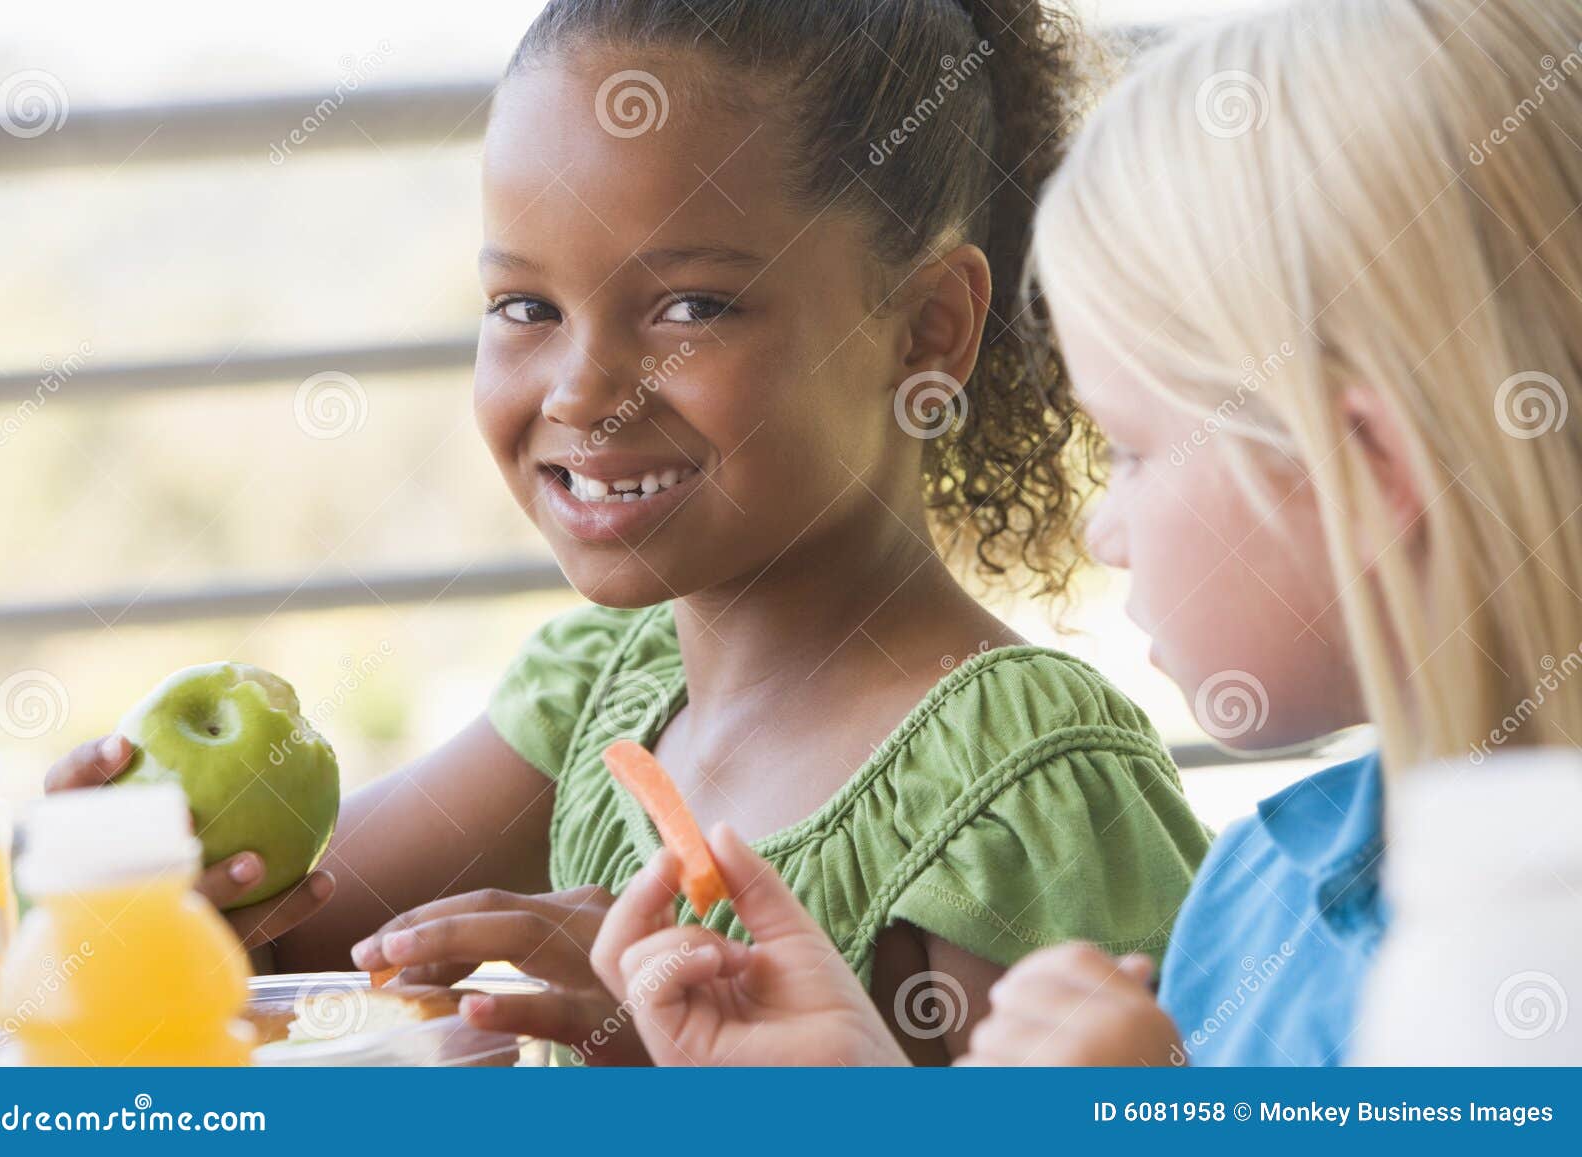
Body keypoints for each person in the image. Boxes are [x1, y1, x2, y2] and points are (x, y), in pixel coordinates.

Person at [47, 0, 1212, 1064]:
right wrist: (128, 890)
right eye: (524, 308)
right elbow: (277, 956)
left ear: (925, 330)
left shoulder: (1016, 795)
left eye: (690, 307)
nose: (576, 388)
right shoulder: (600, 700)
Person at [593, 0, 1582, 1066]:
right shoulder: (1252, 898)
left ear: (1364, 474)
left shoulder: (1522, 955)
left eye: (1132, 450)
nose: (1105, 528)